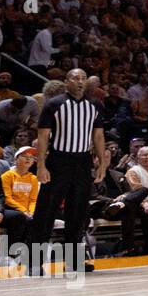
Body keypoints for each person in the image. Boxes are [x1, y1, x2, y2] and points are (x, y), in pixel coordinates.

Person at [31, 68, 106, 275]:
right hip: (58, 160)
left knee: (78, 213)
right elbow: (43, 136)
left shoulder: (95, 105)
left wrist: (102, 164)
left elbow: (98, 136)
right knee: (46, 211)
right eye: (75, 78)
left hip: (83, 161)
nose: (80, 82)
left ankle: (74, 261)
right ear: (67, 81)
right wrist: (41, 165)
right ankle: (34, 262)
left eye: (83, 78)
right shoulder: (54, 104)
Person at [0, 145, 39, 253]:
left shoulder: (34, 179)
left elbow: (33, 200)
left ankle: (32, 253)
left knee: (38, 220)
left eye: (31, 157)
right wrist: (24, 211)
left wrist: (31, 212)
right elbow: (7, 199)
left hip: (28, 211)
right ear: (16, 159)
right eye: (24, 156)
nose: (28, 159)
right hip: (11, 209)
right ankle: (12, 253)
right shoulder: (7, 176)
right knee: (21, 219)